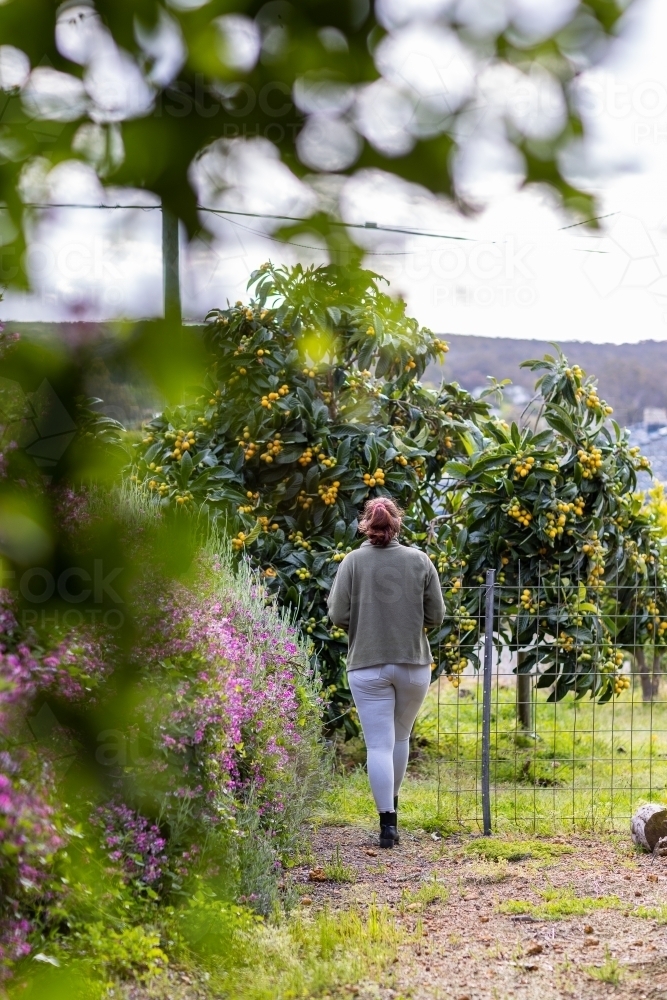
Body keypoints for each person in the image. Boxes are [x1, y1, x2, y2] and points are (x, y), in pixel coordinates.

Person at [327, 496, 445, 848]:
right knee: (400, 737)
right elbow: (436, 616)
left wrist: (364, 621)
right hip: (413, 664)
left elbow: (337, 615)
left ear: (365, 524)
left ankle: (387, 826)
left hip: (366, 664)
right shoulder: (420, 560)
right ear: (397, 523)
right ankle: (393, 807)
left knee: (378, 744)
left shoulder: (352, 562)